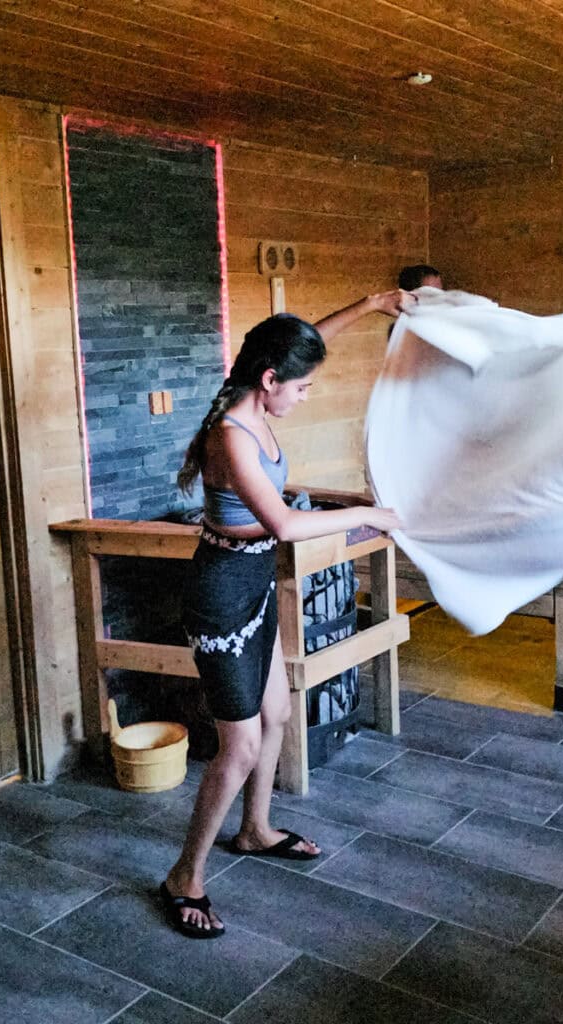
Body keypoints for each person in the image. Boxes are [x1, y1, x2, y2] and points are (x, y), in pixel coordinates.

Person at [161, 306, 402, 939]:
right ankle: (185, 876)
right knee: (237, 745)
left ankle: (255, 829)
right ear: (268, 381)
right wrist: (371, 515)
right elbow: (286, 526)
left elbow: (297, 340)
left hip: (254, 582)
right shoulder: (232, 437)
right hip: (220, 596)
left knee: (278, 716)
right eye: (300, 386)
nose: (305, 394)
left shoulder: (256, 399)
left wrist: (372, 306)